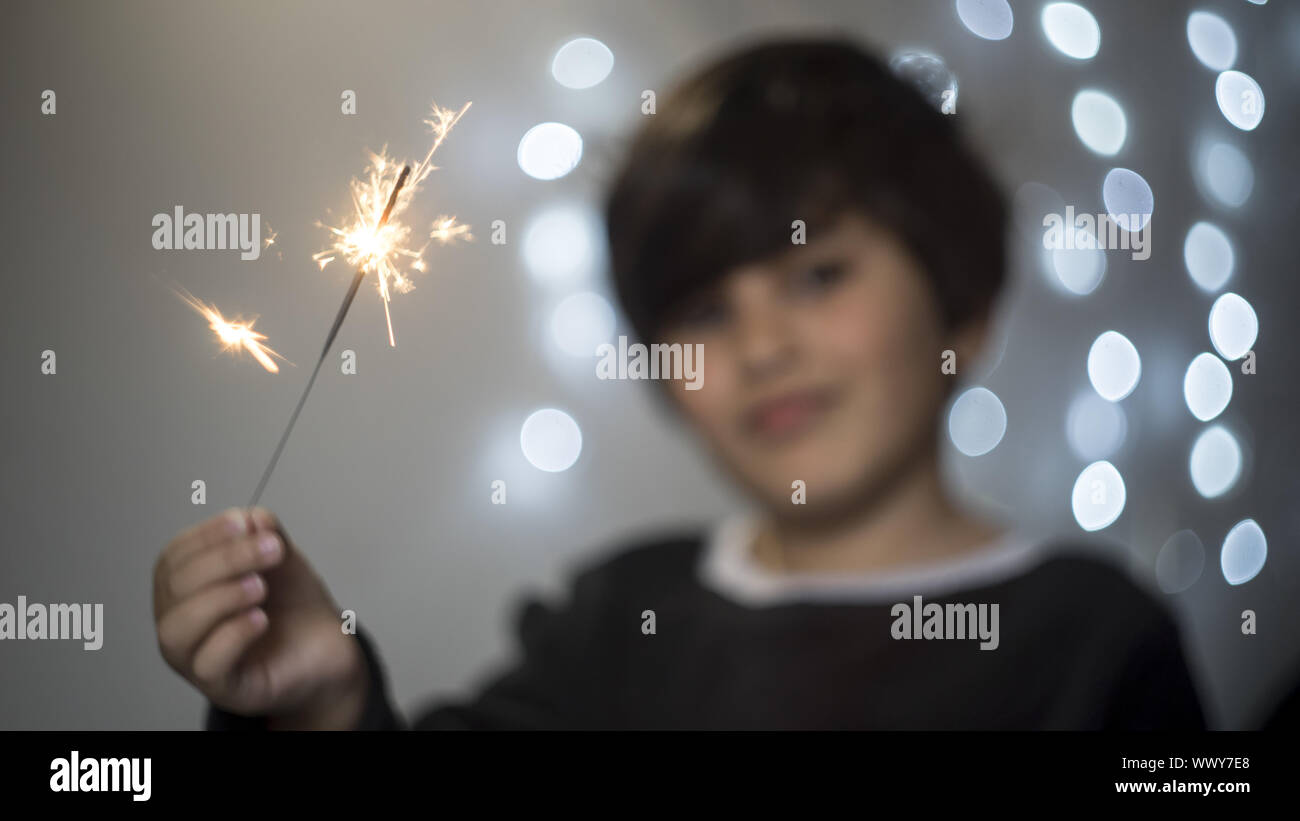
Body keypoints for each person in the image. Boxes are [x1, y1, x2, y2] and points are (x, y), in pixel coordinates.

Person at [152, 37, 1205, 730]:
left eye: (816, 273)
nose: (761, 344)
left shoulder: (1095, 643)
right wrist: (325, 705)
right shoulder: (617, 615)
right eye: (704, 311)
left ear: (962, 306)